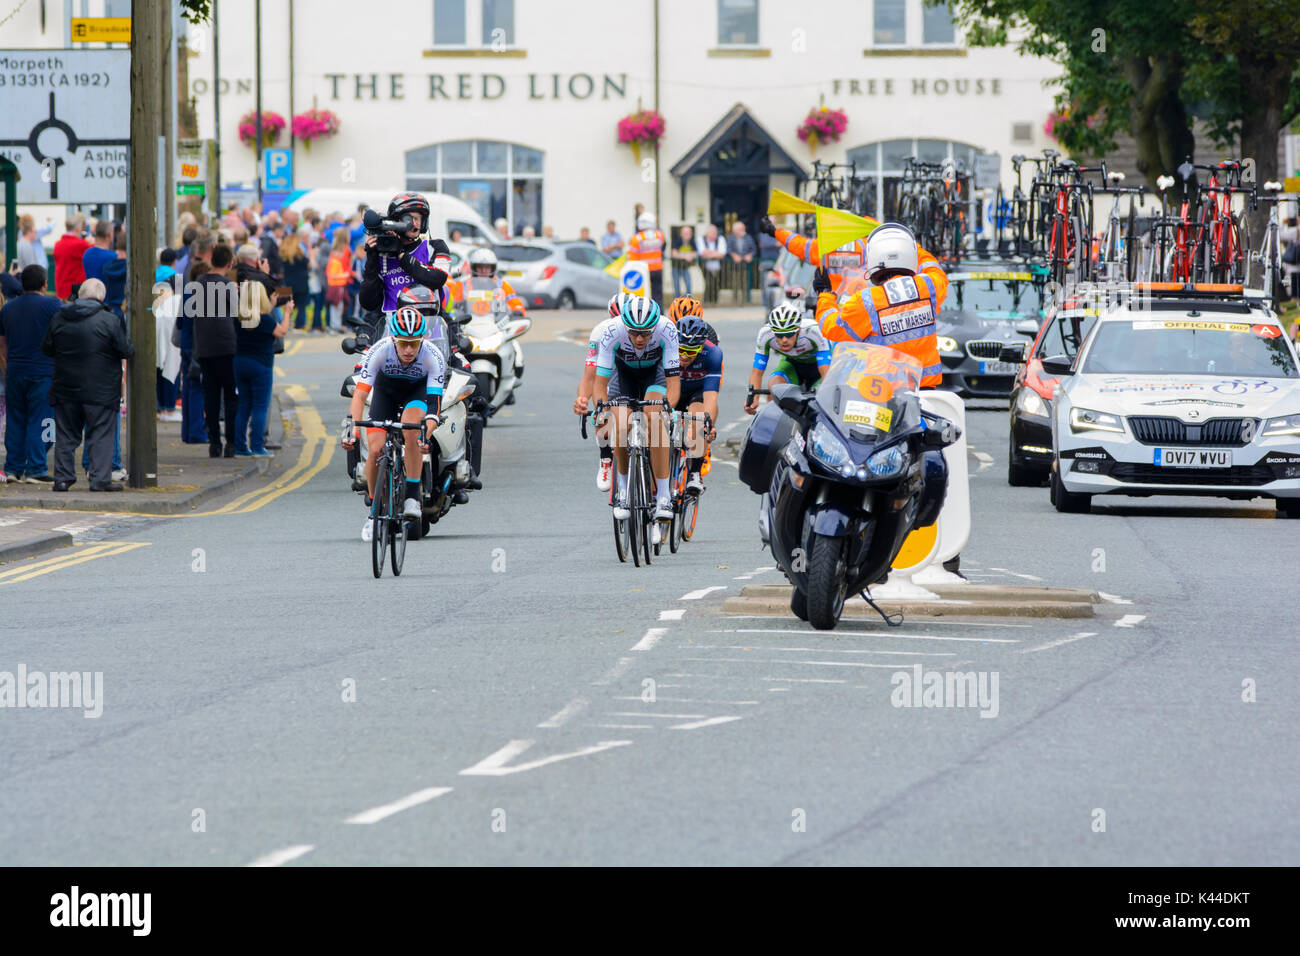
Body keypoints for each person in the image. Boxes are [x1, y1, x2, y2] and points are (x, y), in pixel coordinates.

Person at [340, 307, 447, 542]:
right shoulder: (379, 351)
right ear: (393, 339)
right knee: (376, 449)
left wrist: (424, 436)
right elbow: (359, 397)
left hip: (416, 394)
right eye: (402, 343)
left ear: (423, 340)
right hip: (386, 393)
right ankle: (374, 514)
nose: (408, 350)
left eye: (414, 344)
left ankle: (412, 496)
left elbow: (433, 407)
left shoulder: (433, 355)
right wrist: (351, 431)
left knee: (411, 428)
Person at [591, 295, 680, 545]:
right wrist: (602, 408)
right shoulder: (611, 332)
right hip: (624, 378)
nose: (640, 339)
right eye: (634, 333)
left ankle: (663, 496)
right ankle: (622, 491)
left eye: (646, 334)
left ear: (655, 327)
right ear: (624, 326)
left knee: (656, 421)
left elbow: (673, 386)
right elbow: (600, 384)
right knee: (619, 422)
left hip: (655, 377)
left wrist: (667, 408)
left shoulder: (668, 330)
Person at [815, 221, 948, 387]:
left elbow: (832, 328)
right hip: (926, 389)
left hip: (882, 393)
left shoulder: (865, 301)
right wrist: (911, 247)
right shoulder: (930, 286)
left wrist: (825, 295)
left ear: (873, 259)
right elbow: (934, 268)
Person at [40, 278, 134, 492]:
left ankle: (62, 479)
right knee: (101, 434)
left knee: (65, 435)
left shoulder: (59, 318)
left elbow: (47, 348)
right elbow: (126, 350)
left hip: (65, 387)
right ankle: (99, 479)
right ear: (102, 297)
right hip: (101, 390)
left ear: (80, 295)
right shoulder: (110, 320)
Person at [0, 265, 60, 483]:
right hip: (43, 371)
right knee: (42, 419)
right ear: (45, 284)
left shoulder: (8, 309)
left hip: (15, 370)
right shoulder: (53, 305)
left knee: (15, 419)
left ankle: (13, 467)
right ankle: (37, 466)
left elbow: (2, 342)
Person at [574, 292, 633, 492]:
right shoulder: (601, 332)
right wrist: (582, 398)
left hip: (635, 376)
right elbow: (590, 376)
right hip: (608, 379)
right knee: (602, 413)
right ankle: (605, 457)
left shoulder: (643, 333)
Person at [233, 255, 291, 457]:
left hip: (240, 362)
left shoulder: (239, 317)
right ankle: (257, 445)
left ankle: (240, 446)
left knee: (244, 405)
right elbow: (281, 331)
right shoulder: (265, 320)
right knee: (260, 406)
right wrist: (289, 313)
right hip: (261, 365)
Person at [358, 193, 452, 314]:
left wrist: (401, 255)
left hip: (430, 324)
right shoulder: (382, 255)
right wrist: (371, 258)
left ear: (424, 223)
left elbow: (438, 279)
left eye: (417, 219)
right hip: (392, 326)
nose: (414, 223)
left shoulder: (434, 247)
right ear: (396, 221)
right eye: (408, 218)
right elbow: (368, 303)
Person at [191, 243, 240, 458]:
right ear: (229, 264)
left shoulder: (198, 283)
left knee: (210, 395)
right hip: (226, 345)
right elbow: (238, 313)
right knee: (230, 396)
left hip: (204, 346)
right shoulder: (228, 285)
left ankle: (214, 443)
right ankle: (230, 442)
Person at [746, 303, 832, 414]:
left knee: (823, 397)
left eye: (789, 334)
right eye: (779, 335)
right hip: (792, 365)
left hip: (818, 366)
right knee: (775, 388)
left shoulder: (814, 331)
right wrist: (753, 400)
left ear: (798, 330)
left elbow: (826, 373)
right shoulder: (765, 334)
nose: (784, 340)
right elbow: (756, 372)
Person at [758, 214, 870, 294]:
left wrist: (774, 231)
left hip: (832, 300)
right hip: (861, 299)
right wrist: (867, 222)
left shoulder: (824, 246)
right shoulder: (865, 245)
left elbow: (798, 245)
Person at [674, 315, 722, 496]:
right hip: (672, 389)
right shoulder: (666, 348)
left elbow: (711, 396)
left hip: (697, 393)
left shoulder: (713, 354)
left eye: (691, 351)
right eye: (681, 349)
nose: (684, 356)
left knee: (700, 419)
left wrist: (708, 424)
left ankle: (694, 473)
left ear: (701, 347)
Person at [177, 231, 214, 443]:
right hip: (196, 336)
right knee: (197, 384)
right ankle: (197, 432)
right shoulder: (200, 273)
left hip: (187, 334)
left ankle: (189, 432)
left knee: (190, 383)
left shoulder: (188, 268)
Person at [627, 212, 667, 305]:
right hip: (657, 269)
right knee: (658, 294)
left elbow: (632, 258)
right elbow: (663, 247)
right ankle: (660, 314)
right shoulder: (659, 235)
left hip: (643, 271)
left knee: (644, 295)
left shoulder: (636, 238)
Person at [279, 231, 311, 330]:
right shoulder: (299, 254)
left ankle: (286, 323)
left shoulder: (282, 254)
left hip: (286, 284)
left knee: (287, 305)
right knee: (301, 306)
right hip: (301, 283)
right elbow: (309, 265)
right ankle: (299, 325)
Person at [53, 218, 91, 300]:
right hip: (74, 291)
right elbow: (94, 251)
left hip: (60, 289)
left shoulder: (58, 244)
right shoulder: (80, 244)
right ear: (78, 228)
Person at [325, 229, 352, 332]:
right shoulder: (347, 250)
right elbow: (347, 267)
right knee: (340, 305)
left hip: (333, 282)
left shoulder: (334, 251)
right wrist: (349, 274)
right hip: (342, 281)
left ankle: (335, 325)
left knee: (335, 304)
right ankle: (336, 325)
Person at [725, 220, 757, 303]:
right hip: (734, 265)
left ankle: (746, 300)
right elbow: (728, 249)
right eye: (741, 229)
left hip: (745, 265)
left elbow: (753, 249)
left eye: (743, 228)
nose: (743, 230)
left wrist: (750, 255)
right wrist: (734, 255)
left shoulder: (748, 237)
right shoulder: (730, 237)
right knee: (735, 283)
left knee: (745, 283)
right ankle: (735, 301)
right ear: (735, 230)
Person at [696, 224, 726, 304]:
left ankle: (714, 302)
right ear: (707, 233)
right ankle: (707, 302)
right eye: (712, 232)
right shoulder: (700, 239)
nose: (714, 234)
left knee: (717, 284)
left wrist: (708, 253)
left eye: (715, 232)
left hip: (718, 266)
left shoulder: (721, 239)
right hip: (705, 266)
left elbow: (722, 253)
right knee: (708, 283)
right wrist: (716, 253)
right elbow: (702, 253)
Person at [670, 225, 697, 298]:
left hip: (685, 268)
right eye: (685, 233)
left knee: (688, 284)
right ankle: (677, 302)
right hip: (676, 267)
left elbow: (695, 253)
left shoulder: (692, 241)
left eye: (688, 233)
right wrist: (686, 256)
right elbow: (674, 254)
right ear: (681, 234)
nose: (687, 235)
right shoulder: (677, 241)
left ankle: (688, 301)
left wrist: (689, 255)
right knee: (676, 287)